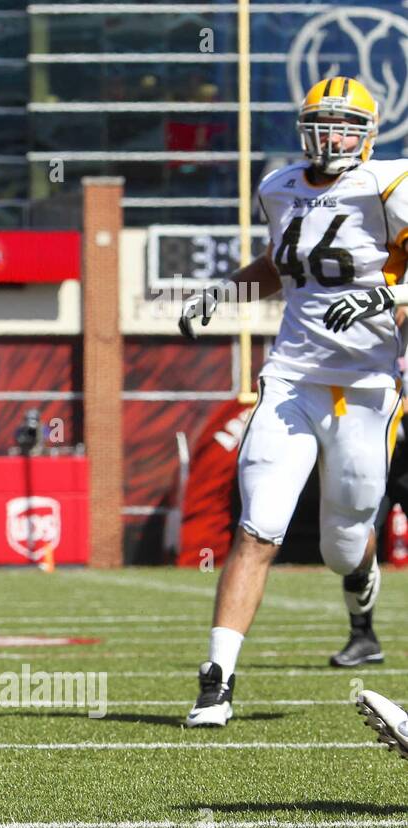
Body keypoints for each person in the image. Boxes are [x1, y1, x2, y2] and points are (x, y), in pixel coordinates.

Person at [179, 76, 406, 727]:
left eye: (344, 125)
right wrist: (223, 292)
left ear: (366, 135)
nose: (331, 136)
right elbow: (284, 264)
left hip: (365, 389)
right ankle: (216, 681)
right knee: (259, 524)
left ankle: (360, 602)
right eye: (322, 123)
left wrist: (381, 296)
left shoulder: (387, 185)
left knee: (343, 540)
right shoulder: (278, 188)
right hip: (291, 383)